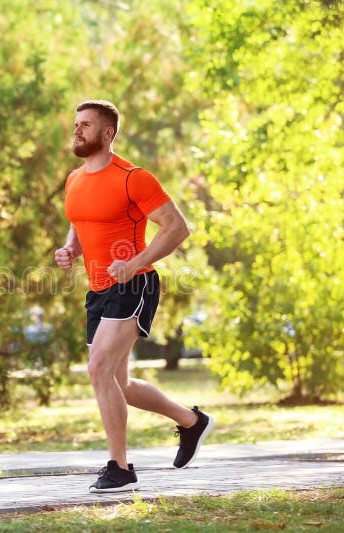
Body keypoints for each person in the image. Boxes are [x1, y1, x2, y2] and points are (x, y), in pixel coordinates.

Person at [54, 100, 214, 493]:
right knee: (118, 383)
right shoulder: (75, 179)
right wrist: (70, 249)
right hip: (98, 290)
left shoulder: (133, 178)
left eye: (86, 125)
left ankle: (120, 467)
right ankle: (192, 422)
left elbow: (176, 228)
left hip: (134, 284)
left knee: (98, 369)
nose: (77, 130)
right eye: (76, 124)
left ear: (107, 134)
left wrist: (135, 262)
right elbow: (80, 221)